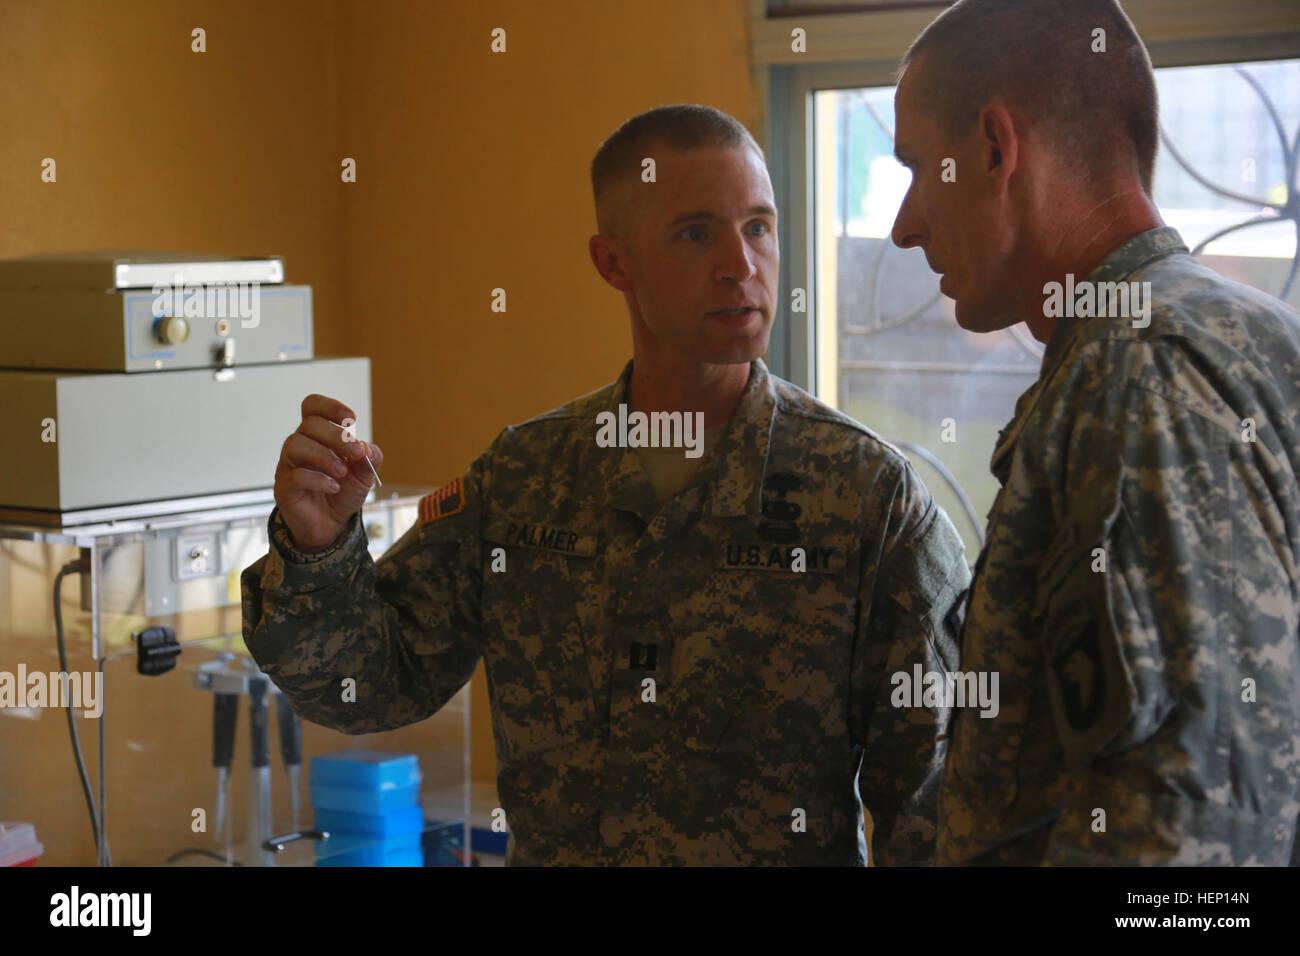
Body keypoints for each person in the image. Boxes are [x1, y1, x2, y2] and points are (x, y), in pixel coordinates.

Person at [242, 104, 970, 866]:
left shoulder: (863, 498)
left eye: (758, 226)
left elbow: (938, 806)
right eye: (696, 233)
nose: (741, 264)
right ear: (613, 263)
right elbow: (370, 685)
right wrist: (318, 549)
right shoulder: (527, 478)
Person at [889, 0, 1300, 864]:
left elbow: (1187, 853)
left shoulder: (1140, 369)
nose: (905, 224)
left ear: (996, 149)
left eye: (921, 167)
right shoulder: (1208, 335)